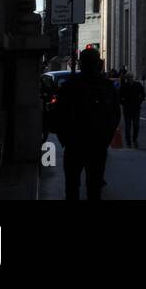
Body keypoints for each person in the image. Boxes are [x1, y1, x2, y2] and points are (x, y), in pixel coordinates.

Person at [57, 47, 121, 200]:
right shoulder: (107, 86)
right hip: (97, 145)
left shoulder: (69, 85)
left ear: (81, 64)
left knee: (72, 188)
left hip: (74, 145)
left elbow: (59, 116)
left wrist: (65, 139)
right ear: (98, 64)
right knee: (94, 189)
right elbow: (115, 116)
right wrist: (105, 139)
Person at [118, 70, 146, 147]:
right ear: (127, 78)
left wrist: (139, 102)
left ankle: (134, 138)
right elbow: (119, 98)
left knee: (136, 125)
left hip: (136, 108)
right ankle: (128, 141)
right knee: (128, 126)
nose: (130, 79)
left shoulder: (138, 85)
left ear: (133, 78)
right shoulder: (124, 87)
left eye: (131, 77)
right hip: (127, 109)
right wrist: (124, 104)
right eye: (129, 77)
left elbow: (143, 94)